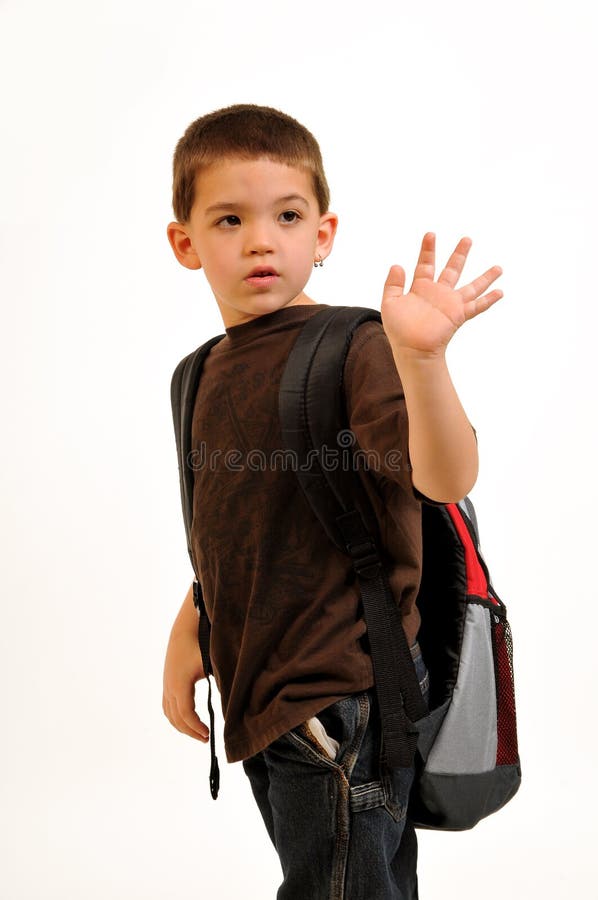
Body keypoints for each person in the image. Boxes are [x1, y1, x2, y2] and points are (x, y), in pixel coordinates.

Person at [162, 103, 503, 899]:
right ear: (186, 243)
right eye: (228, 218)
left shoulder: (352, 349)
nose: (260, 239)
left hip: (341, 700)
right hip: (265, 694)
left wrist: (421, 361)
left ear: (323, 235)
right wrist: (195, 622)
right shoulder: (196, 374)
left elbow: (445, 478)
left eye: (287, 215)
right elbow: (243, 519)